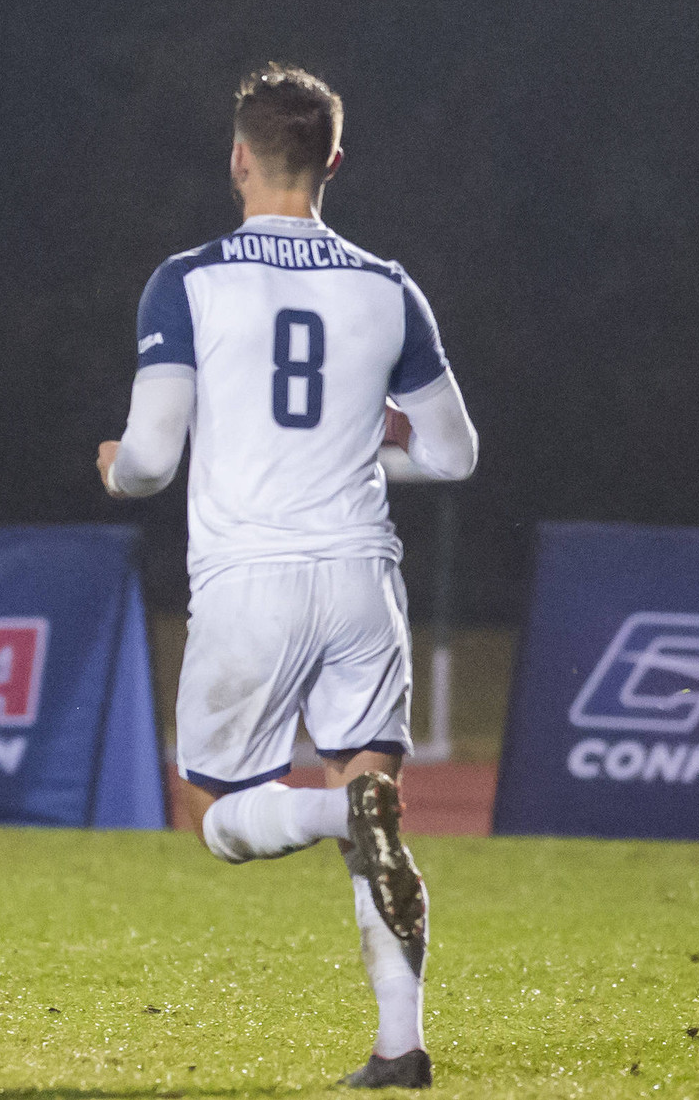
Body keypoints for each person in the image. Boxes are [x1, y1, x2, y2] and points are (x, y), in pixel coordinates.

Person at [97, 65, 476, 1090]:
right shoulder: (389, 287)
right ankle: (399, 1047)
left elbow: (152, 458)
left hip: (250, 580)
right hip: (361, 578)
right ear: (333, 161)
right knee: (374, 797)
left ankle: (330, 812)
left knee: (217, 817)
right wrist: (358, 450)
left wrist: (115, 468)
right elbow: (453, 455)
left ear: (238, 158)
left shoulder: (189, 281)